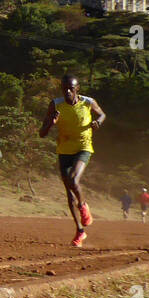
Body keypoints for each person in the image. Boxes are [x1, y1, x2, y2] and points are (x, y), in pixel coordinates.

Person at [38, 74, 106, 247]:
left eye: (71, 88)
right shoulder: (55, 104)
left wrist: (98, 122)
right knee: (69, 193)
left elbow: (102, 115)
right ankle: (80, 231)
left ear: (77, 88)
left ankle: (83, 206)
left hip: (83, 147)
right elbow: (42, 133)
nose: (68, 91)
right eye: (64, 88)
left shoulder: (88, 102)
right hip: (64, 149)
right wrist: (51, 123)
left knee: (74, 179)